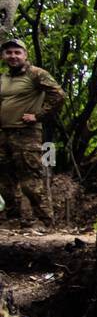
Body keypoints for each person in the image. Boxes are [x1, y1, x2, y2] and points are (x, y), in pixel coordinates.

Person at [0, 38, 65, 229]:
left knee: (31, 181)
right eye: (9, 53)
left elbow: (58, 95)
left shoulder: (36, 74)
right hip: (4, 134)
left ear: (25, 55)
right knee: (5, 180)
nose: (13, 56)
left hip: (26, 135)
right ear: (3, 56)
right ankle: (13, 219)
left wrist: (38, 115)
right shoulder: (3, 78)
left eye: (17, 52)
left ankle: (45, 222)